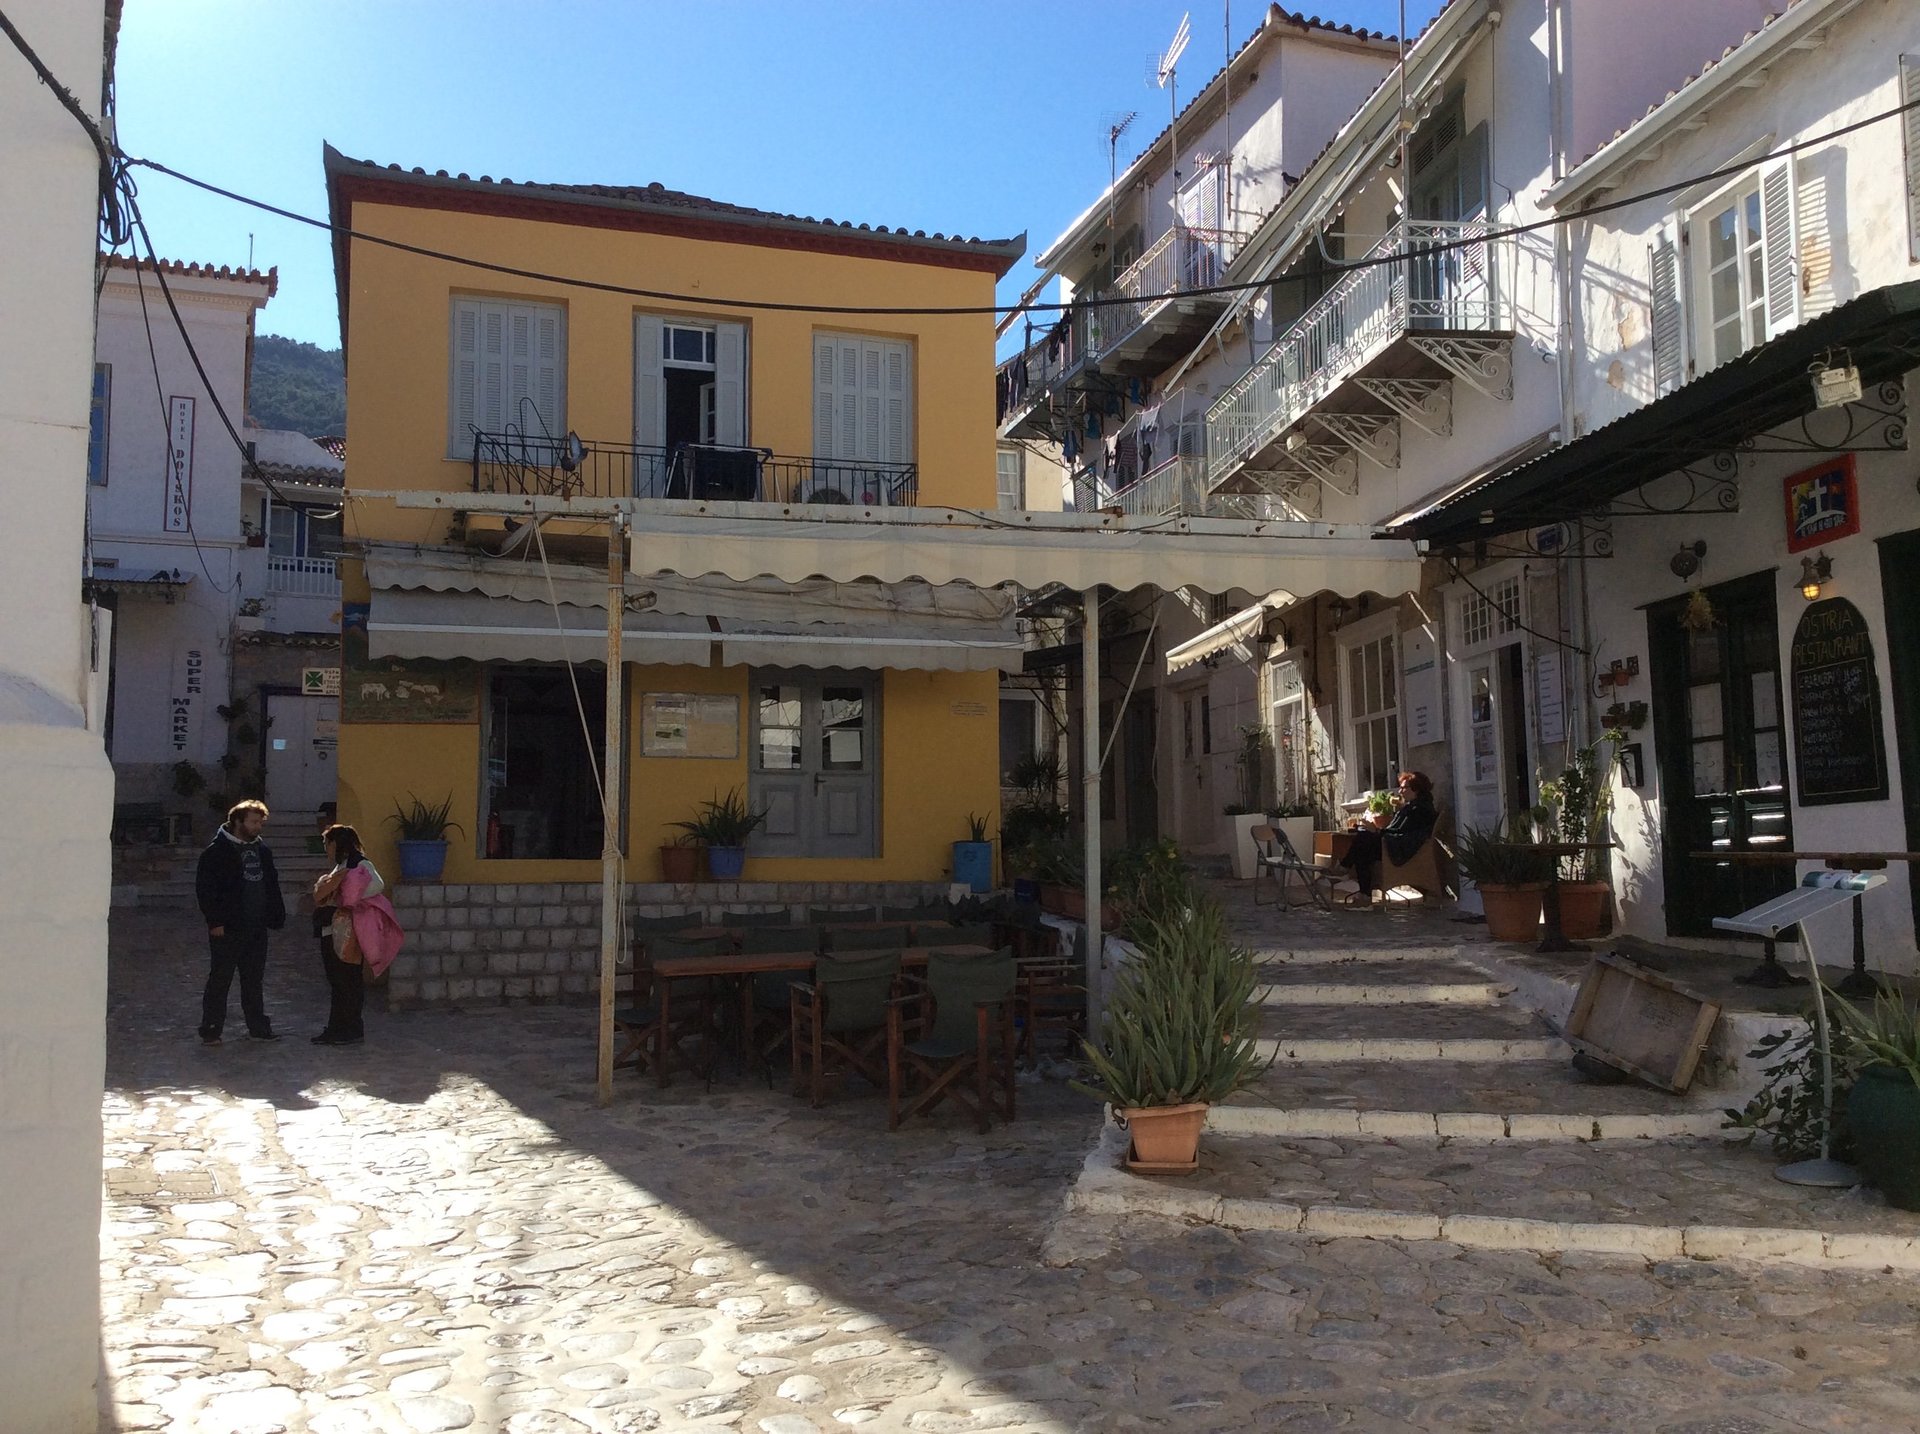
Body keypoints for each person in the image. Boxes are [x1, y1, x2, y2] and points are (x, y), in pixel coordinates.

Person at [195, 798, 287, 1043]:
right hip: (228, 927)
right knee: (220, 979)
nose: (258, 827)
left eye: (260, 822)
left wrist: (275, 914)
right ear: (238, 821)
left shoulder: (262, 851)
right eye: (253, 822)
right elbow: (206, 890)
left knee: (253, 980)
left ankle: (258, 1027)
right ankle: (211, 1028)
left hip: (256, 927)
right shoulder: (216, 853)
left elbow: (271, 884)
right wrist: (215, 921)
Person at [309, 823, 404, 1045]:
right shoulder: (343, 865)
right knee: (339, 982)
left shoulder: (359, 864)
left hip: (347, 933)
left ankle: (348, 1029)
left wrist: (347, 898)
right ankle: (339, 1027)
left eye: (327, 843)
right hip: (333, 929)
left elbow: (377, 885)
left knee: (347, 981)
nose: (326, 848)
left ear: (335, 843)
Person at [1341, 771, 1438, 903]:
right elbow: (1396, 830)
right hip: (1394, 844)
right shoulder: (1412, 807)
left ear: (1416, 789)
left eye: (1404, 788)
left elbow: (1402, 833)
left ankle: (1346, 871)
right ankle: (1359, 886)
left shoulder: (1418, 810)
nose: (1400, 791)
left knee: (1363, 841)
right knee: (1363, 845)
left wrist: (1377, 831)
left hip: (1401, 848)